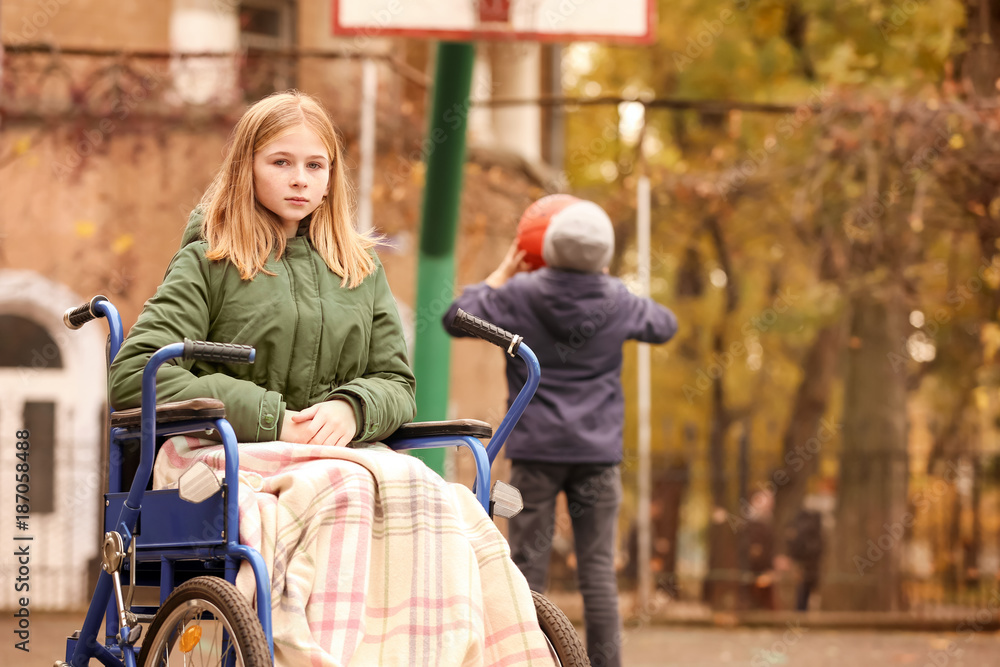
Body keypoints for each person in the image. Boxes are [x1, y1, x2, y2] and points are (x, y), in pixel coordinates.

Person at [109, 91, 552, 666]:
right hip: (224, 450)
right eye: (281, 162)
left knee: (443, 500)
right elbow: (138, 373)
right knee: (344, 492)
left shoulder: (358, 269)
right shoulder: (211, 259)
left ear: (331, 175)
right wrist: (271, 417)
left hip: (340, 452)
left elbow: (395, 382)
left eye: (315, 165)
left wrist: (352, 408)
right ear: (247, 166)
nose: (300, 179)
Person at [443, 200, 678, 667]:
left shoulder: (520, 294)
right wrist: (612, 282)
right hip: (598, 454)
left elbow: (456, 315)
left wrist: (505, 270)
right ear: (603, 255)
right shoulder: (619, 299)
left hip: (536, 451)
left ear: (546, 248)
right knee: (597, 573)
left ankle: (528, 659)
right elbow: (665, 324)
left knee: (528, 566)